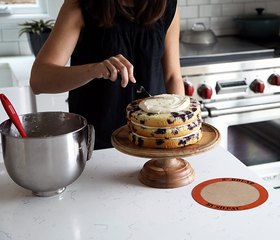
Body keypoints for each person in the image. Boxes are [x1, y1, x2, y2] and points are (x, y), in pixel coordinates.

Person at [30, 0, 184, 150]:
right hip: (98, 146)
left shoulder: (166, 5)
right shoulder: (79, 5)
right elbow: (38, 79)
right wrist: (94, 69)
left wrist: (181, 130)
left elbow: (172, 77)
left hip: (155, 142)